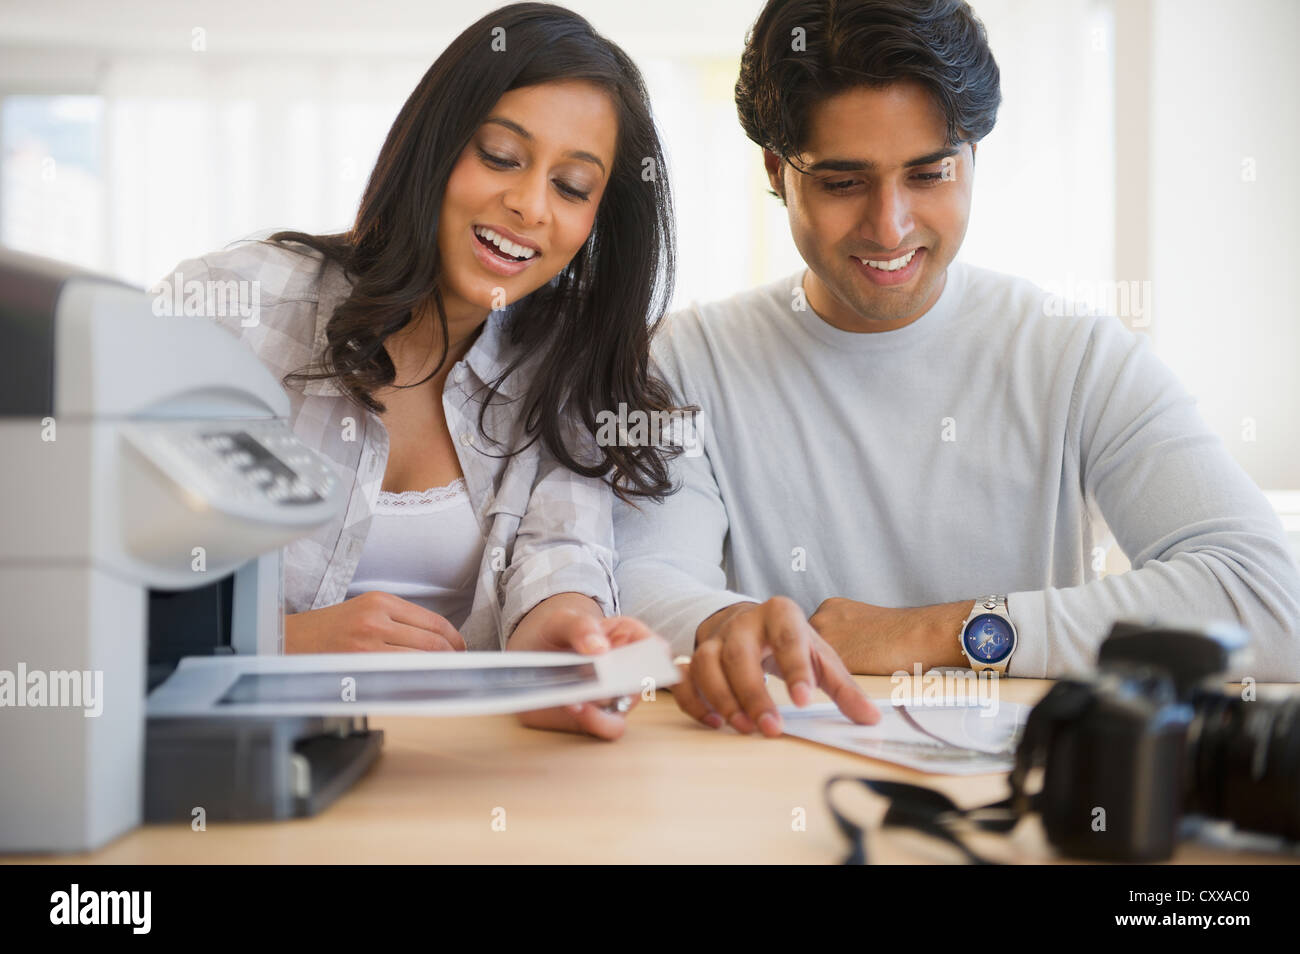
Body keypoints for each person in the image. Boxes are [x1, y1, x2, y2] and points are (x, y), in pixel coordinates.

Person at [613, 0, 1300, 738]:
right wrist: (728, 627)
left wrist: (934, 633)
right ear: (779, 172)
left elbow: (1268, 601)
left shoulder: (1077, 354)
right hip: (760, 790)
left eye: (929, 174)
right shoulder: (684, 362)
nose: (890, 225)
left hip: (1013, 810)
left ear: (972, 158)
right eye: (845, 181)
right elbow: (642, 582)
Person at [159, 2, 681, 740]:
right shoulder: (233, 309)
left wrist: (571, 644)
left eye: (571, 187)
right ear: (434, 148)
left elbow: (560, 554)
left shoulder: (565, 359)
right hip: (233, 765)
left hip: (456, 778)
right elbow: (96, 572)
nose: (528, 205)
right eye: (500, 156)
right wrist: (282, 642)